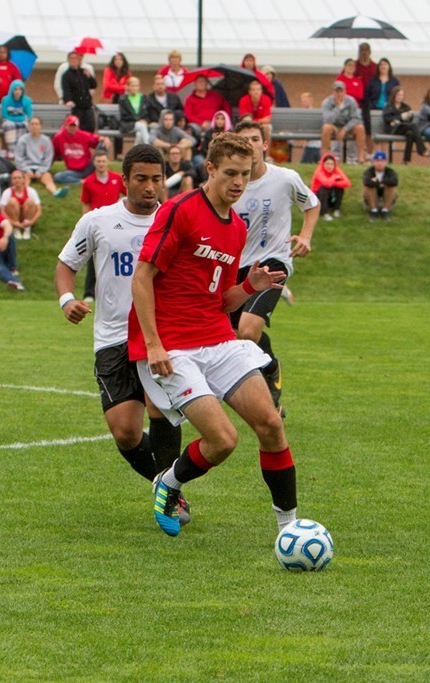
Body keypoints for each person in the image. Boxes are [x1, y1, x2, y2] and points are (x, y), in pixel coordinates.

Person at [129, 132, 299, 538]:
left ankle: (290, 529)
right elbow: (142, 277)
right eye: (230, 173)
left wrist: (251, 287)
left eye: (246, 173)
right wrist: (153, 344)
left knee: (271, 425)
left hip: (217, 339)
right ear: (210, 169)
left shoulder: (236, 227)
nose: (239, 182)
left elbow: (221, 301)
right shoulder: (180, 210)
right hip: (173, 347)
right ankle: (169, 482)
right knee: (222, 440)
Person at [55, 143, 186, 511]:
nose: (149, 187)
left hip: (159, 337)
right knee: (125, 432)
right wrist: (68, 300)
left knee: (163, 410)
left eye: (156, 179)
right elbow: (66, 264)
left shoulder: (176, 220)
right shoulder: (97, 221)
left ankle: (171, 497)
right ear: (124, 180)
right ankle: (167, 484)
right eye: (141, 179)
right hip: (112, 337)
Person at [230, 120, 319, 415]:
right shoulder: (230, 184)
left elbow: (312, 204)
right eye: (244, 140)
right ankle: (270, 367)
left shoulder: (285, 178)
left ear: (265, 145)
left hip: (273, 263)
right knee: (230, 335)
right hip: (235, 267)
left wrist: (305, 236)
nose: (251, 145)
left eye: (255, 139)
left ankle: (268, 381)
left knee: (247, 329)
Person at [78, 149, 127, 298]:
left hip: (115, 222)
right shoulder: (88, 182)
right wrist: (85, 222)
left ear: (108, 162)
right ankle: (89, 293)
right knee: (94, 257)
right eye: (98, 161)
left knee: (115, 255)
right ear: (94, 163)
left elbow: (127, 195)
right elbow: (86, 203)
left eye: (103, 161)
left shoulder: (117, 178)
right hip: (97, 223)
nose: (101, 164)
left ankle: (115, 291)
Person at [14, 116, 69, 198]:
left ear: (40, 126)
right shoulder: (23, 140)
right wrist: (26, 170)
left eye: (36, 124)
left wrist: (40, 171)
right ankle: (24, 193)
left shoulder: (46, 140)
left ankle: (55, 192)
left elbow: (48, 158)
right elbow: (19, 158)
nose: (34, 126)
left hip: (40, 167)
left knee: (47, 178)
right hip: (26, 167)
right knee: (25, 179)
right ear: (29, 126)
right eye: (32, 124)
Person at [53, 114, 108, 184]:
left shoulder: (84, 135)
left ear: (77, 126)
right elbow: (54, 153)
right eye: (70, 125)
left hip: (88, 167)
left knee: (102, 145)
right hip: (73, 171)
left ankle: (102, 174)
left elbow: (96, 140)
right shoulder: (58, 137)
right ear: (66, 126)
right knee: (58, 176)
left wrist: (104, 139)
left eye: (74, 126)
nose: (72, 128)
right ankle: (83, 181)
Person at [321, 81, 367, 161]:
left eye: (341, 91)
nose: (339, 94)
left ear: (345, 92)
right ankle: (325, 157)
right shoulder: (327, 102)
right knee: (326, 127)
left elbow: (356, 118)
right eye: (336, 91)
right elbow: (327, 119)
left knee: (360, 128)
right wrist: (338, 108)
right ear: (333, 92)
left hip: (347, 127)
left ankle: (360, 157)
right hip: (334, 126)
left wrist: (345, 129)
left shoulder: (351, 101)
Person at [382, 86, 426, 164]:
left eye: (402, 95)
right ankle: (422, 149)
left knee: (410, 134)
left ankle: (406, 160)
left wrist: (398, 119)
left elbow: (409, 119)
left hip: (403, 128)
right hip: (392, 129)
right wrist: (400, 117)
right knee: (413, 126)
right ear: (394, 95)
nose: (400, 97)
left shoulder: (406, 107)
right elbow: (386, 118)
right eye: (398, 95)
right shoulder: (388, 106)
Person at [61, 51, 98, 132]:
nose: (74, 60)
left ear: (79, 59)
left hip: (87, 105)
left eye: (76, 58)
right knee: (78, 129)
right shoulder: (66, 75)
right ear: (68, 60)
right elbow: (66, 90)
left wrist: (90, 77)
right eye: (72, 58)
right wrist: (68, 100)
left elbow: (94, 85)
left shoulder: (84, 72)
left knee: (91, 127)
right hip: (76, 107)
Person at [1, 169, 41, 241]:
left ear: (23, 180)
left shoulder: (31, 191)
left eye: (19, 178)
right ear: (12, 181)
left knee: (30, 201)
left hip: (27, 216)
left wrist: (32, 221)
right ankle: (16, 228)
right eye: (14, 178)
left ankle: (27, 228)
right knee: (12, 201)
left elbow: (39, 210)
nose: (17, 180)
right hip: (13, 217)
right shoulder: (7, 192)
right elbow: (2, 211)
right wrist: (12, 222)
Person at [310, 153, 349, 221]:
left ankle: (336, 209)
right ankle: (324, 212)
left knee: (340, 188)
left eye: (332, 164)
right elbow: (326, 183)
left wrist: (334, 183)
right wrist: (334, 177)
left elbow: (347, 183)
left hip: (329, 196)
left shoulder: (337, 170)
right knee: (324, 188)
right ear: (323, 164)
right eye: (327, 164)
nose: (329, 166)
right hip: (317, 198)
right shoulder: (319, 171)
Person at [362, 150, 399, 221]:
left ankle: (385, 210)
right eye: (377, 161)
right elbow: (366, 182)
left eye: (382, 161)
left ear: (385, 162)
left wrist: (380, 181)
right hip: (372, 197)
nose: (379, 163)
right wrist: (380, 183)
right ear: (374, 162)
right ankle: (373, 211)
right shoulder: (369, 171)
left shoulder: (390, 171)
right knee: (369, 187)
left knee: (391, 187)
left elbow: (395, 182)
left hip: (385, 196)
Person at [0, 80, 33, 151]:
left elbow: (29, 115)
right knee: (9, 125)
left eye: (20, 89)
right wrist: (17, 119)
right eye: (15, 89)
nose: (18, 91)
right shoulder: (5, 100)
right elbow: (5, 115)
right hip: (9, 120)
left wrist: (19, 119)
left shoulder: (27, 100)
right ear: (12, 90)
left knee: (26, 126)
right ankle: (12, 150)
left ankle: (23, 149)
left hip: (22, 120)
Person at [118, 76, 150, 146]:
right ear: (128, 87)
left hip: (141, 124)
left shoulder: (143, 98)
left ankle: (134, 153)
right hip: (127, 124)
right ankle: (149, 148)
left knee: (139, 134)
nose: (134, 88)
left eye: (136, 86)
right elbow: (124, 115)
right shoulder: (123, 99)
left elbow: (146, 112)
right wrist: (138, 120)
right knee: (142, 126)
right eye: (132, 86)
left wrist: (145, 120)